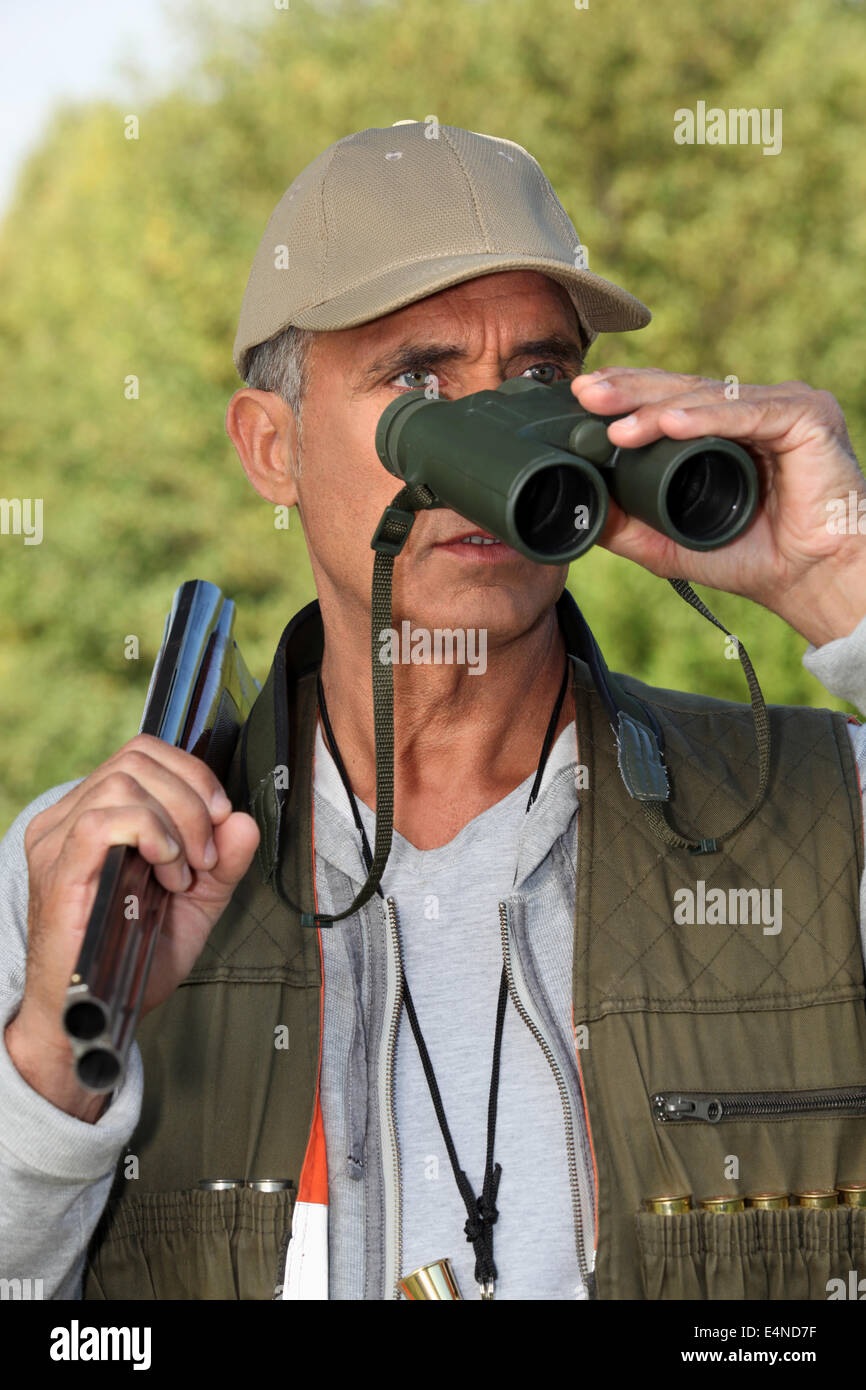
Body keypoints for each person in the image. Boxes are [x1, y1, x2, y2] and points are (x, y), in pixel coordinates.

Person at [1, 122, 865, 1302]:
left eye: (535, 380)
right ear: (271, 448)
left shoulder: (818, 817)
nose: (492, 441)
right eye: (418, 385)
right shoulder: (92, 877)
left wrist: (838, 583)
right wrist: (56, 1056)